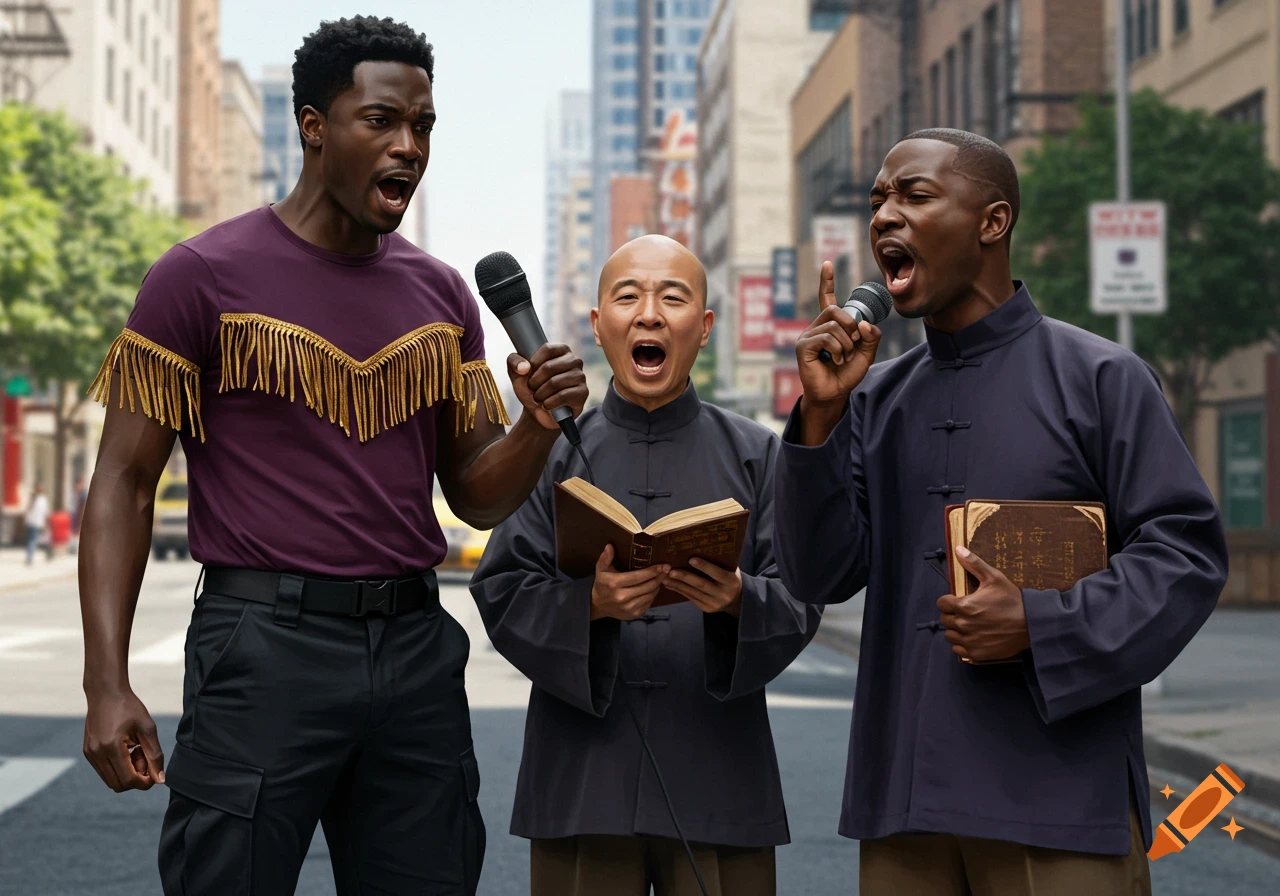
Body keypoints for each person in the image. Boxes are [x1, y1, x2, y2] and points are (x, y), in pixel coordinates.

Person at [77, 16, 587, 896]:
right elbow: (122, 482)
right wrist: (104, 683)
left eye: (423, 126)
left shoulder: (441, 293)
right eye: (381, 121)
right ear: (315, 126)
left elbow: (472, 495)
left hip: (417, 650)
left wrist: (535, 424)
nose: (409, 146)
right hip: (261, 648)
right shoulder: (201, 274)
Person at [773, 129, 1228, 895]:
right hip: (903, 804)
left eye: (915, 196)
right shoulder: (872, 397)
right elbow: (818, 572)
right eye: (879, 200)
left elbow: (1185, 556)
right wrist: (818, 421)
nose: (885, 216)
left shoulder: (1102, 377)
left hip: (1059, 802)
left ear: (993, 222)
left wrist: (1042, 625)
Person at [469, 234, 821, 896]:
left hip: (721, 776)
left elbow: (802, 592)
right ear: (600, 327)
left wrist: (738, 598)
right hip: (583, 783)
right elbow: (503, 590)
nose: (650, 313)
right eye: (628, 297)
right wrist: (591, 605)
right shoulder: (550, 453)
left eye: (673, 297)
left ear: (706, 327)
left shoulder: (759, 455)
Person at [24, 482, 49, 565]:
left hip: (36, 522)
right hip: (34, 522)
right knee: (33, 540)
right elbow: (29, 510)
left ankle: (48, 553)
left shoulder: (42, 499)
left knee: (37, 539)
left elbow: (44, 513)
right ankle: (29, 558)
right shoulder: (36, 499)